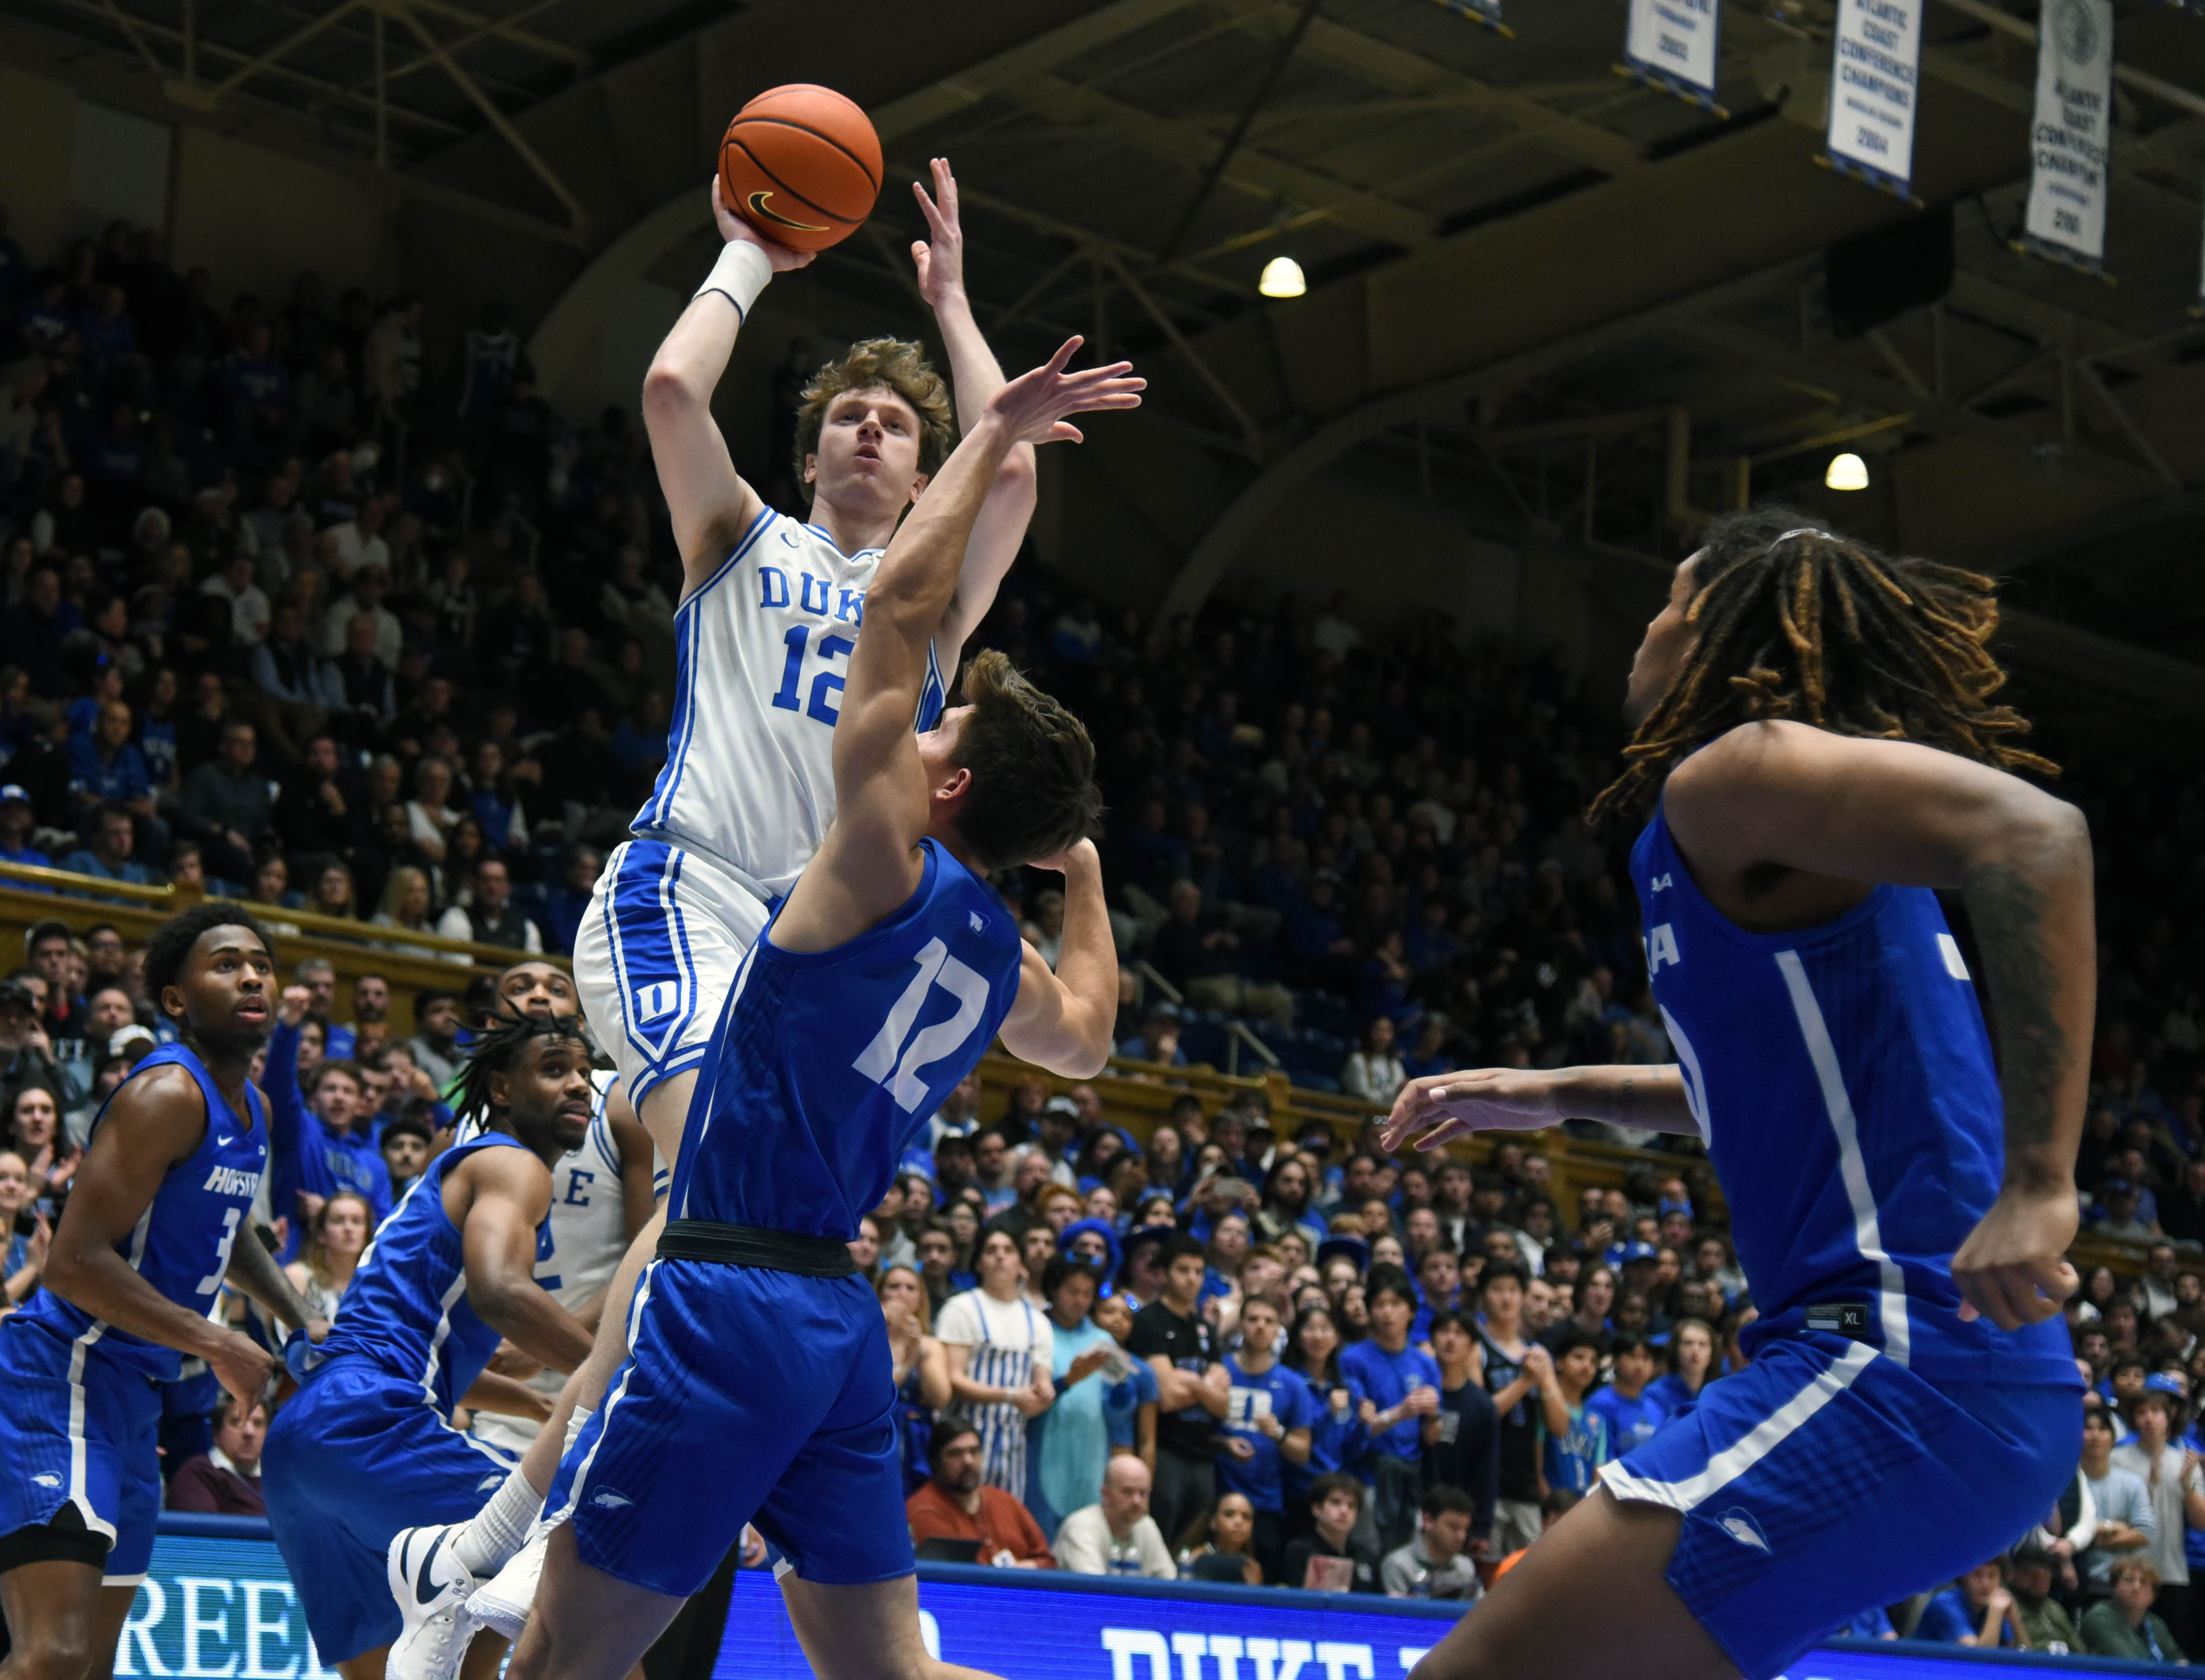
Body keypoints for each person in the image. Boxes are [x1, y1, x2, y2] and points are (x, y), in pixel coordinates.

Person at [489, 324, 1134, 1680]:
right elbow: (1088, 1037)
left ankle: (515, 1512)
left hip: (729, 1294)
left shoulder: (861, 859)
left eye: (941, 734)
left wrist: (984, 427)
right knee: (891, 1676)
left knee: (558, 1662)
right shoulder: (990, 959)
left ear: (942, 789)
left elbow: (899, 615)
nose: (921, 728)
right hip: (842, 1316)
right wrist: (1079, 875)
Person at [1387, 510, 2094, 1680]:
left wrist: (2038, 1178)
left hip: (1897, 1366)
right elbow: (1760, 1090)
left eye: (1665, 601)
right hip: (1952, 1383)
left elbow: (2037, 838)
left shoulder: (1732, 775)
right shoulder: (1772, 827)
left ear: (1713, 627)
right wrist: (1554, 1091)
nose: (1644, 628)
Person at [0, 902, 317, 1680]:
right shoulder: (167, 1094)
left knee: (94, 1665)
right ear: (176, 1000)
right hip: (61, 1375)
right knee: (52, 1658)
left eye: (261, 963)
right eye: (225, 964)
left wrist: (298, 1314)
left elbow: (225, 1222)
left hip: (136, 1392)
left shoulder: (256, 1109)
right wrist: (216, 1341)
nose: (252, 975)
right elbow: (73, 1262)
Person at [261, 1015, 598, 1680]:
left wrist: (532, 1404)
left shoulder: (453, 1176)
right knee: (580, 1579)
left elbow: (423, 1352)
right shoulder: (513, 1164)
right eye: (556, 1070)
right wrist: (613, 1373)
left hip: (302, 1439)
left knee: (410, 1659)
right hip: (370, 1421)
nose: (580, 1086)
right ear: (502, 1089)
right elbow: (499, 1291)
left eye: (586, 1072)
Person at [1126, 1234, 1229, 1547]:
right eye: (1183, 1270)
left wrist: (1192, 1384)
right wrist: (1205, 1385)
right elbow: (1167, 1397)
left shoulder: (1206, 1329)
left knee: (1190, 1547)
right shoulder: (1149, 1321)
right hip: (1165, 1450)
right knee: (1156, 1540)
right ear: (1164, 1274)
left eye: (1199, 1271)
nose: (1192, 1279)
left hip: (1202, 1453)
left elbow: (1224, 1406)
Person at [937, 1228, 1054, 1496]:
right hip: (961, 1442)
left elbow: (1042, 1382)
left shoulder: (1038, 1321)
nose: (1000, 1256)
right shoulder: (962, 1308)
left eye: (1008, 1250)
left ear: (1021, 1264)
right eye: (991, 1250)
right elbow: (954, 1380)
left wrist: (1045, 1393)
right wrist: (1010, 1396)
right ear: (980, 1264)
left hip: (1012, 1448)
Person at [1342, 1265, 1443, 1554]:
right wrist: (1400, 1412)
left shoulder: (1426, 1364)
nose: (1388, 1313)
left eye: (1396, 1304)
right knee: (1369, 1553)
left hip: (1412, 1477)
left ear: (1411, 1312)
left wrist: (1435, 1415)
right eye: (1380, 1305)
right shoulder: (1353, 1359)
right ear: (1370, 1311)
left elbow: (1436, 1437)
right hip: (1369, 1475)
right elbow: (1360, 1427)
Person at [1216, 1294, 1314, 1580]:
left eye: (1269, 1321)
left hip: (1266, 1504)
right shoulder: (1220, 1372)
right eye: (1253, 1319)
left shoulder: (1293, 1385)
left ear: (1278, 1330)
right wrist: (1222, 1445)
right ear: (1241, 1326)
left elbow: (1303, 1451)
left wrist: (1279, 1435)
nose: (1260, 1327)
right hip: (1219, 1497)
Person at [1035, 1256, 1120, 1531]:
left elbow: (1117, 1402)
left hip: (1091, 1447)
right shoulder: (1037, 1329)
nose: (1081, 1300)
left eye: (1087, 1294)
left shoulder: (1103, 1341)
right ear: (1054, 1289)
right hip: (1046, 1440)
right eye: (1073, 1291)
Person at [904, 1423, 1055, 1568]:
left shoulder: (1004, 1500)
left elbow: (1047, 1561)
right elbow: (955, 1576)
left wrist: (1027, 1568)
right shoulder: (923, 1510)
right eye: (955, 1454)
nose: (968, 1461)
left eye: (974, 1451)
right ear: (936, 1462)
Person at [1422, 1310, 1498, 1555]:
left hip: (1459, 1520)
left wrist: (1482, 1529)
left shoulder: (1483, 1406)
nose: (1450, 1340)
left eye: (1460, 1334)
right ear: (1431, 1340)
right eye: (1444, 1332)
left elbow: (1488, 1470)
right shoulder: (1416, 1392)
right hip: (1415, 1505)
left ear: (1473, 1347)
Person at [1056, 1453, 1176, 1578]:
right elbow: (1095, 1589)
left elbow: (1169, 1580)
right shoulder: (1080, 1527)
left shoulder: (1146, 1525)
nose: (1137, 1501)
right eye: (1128, 1492)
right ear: (1106, 1494)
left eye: (1143, 1493)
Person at [2082, 1404, 2156, 1599]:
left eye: (2103, 1429)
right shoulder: (2066, 1482)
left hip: (2122, 1585)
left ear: (2113, 1439)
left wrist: (2090, 1540)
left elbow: (2146, 1532)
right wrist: (2113, 1527)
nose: (2095, 1435)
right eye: (2088, 1428)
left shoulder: (2132, 1483)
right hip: (2076, 1579)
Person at [167, 1392, 270, 1517]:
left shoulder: (279, 1477)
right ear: (216, 1433)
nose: (249, 1432)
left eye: (258, 1423)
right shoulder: (200, 1473)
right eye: (237, 1422)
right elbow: (201, 1532)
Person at [282, 1189, 371, 1324]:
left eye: (357, 1221)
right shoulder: (299, 1276)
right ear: (321, 1234)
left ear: (366, 1234)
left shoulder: (374, 1284)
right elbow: (287, 1337)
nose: (348, 1228)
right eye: (338, 1221)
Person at [1279, 1473, 1379, 1593]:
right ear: (1316, 1509)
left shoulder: (1367, 1558)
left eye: (1351, 1506)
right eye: (1336, 1503)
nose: (1344, 1511)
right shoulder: (1300, 1552)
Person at [1382, 1486, 1483, 1601]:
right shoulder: (1398, 1565)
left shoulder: (1466, 1567)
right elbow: (1396, 1616)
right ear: (1428, 1521)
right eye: (1453, 1527)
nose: (1461, 1537)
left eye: (1465, 1529)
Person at [2082, 1559, 2187, 1663]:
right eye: (2129, 1580)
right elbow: (2131, 1664)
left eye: (2144, 1582)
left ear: (2153, 1595)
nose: (2137, 1587)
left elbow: (2180, 1662)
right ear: (2114, 1587)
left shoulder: (2155, 1623)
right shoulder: (2099, 1618)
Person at [1585, 1331, 1667, 1457]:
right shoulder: (1600, 1404)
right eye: (1631, 1356)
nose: (1640, 1365)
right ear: (1615, 1361)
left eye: (1646, 1358)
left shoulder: (1656, 1410)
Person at [1915, 1558, 2019, 1646]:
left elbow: (2022, 1654)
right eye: (1977, 1575)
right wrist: (1995, 1613)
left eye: (1992, 1575)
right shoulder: (1944, 1604)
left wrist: (2014, 1620)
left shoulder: (1994, 1605)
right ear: (1963, 1578)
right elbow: (1978, 1661)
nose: (1985, 1584)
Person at [2007, 1543, 2080, 1653]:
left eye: (2044, 1576)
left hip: (2065, 1665)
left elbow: (2080, 1651)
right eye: (2032, 1575)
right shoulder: (2006, 1605)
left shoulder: (2054, 1608)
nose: (2038, 1582)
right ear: (2013, 1573)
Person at [1174, 1495, 1261, 1585]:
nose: (1239, 1522)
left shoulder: (1252, 1567)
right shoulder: (1196, 1558)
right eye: (1229, 1514)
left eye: (1246, 1517)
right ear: (1213, 1522)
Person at [1644, 1316, 1714, 1420]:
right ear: (1676, 1350)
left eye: (1702, 1344)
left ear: (1712, 1354)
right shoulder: (1655, 1394)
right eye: (1688, 1343)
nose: (1695, 1350)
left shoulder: (1715, 1395)